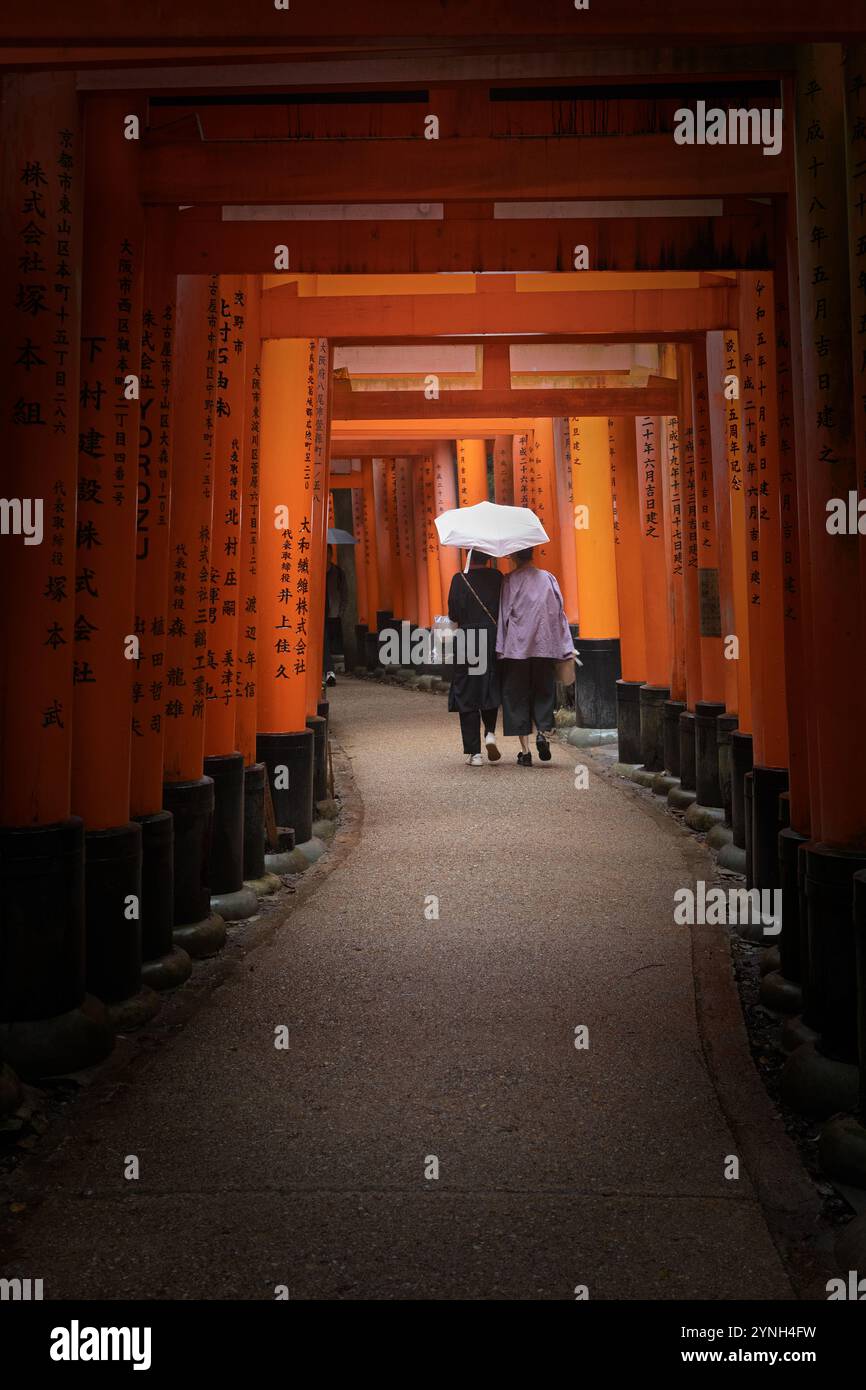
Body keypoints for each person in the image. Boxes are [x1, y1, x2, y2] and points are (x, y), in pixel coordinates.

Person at [495, 547, 574, 766]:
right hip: (544, 645)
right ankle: (542, 733)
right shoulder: (548, 578)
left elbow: (504, 614)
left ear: (513, 558)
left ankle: (526, 751)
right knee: (544, 691)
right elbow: (559, 613)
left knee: (517, 695)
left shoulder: (510, 581)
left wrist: (500, 646)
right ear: (532, 554)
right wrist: (564, 644)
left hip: (516, 648)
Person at [446, 550, 502, 767]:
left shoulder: (459, 579)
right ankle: (490, 732)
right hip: (492, 637)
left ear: (469, 557)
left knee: (467, 691)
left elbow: (453, 614)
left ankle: (475, 753)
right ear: (488, 557)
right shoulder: (497, 577)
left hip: (468, 638)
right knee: (489, 683)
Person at [323, 546, 347, 687]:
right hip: (319, 614)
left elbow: (344, 593)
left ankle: (326, 670)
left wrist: (341, 611)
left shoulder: (337, 572)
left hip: (333, 613)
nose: (326, 556)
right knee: (324, 643)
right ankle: (329, 671)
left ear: (331, 555)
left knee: (329, 644)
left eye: (328, 553)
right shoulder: (314, 570)